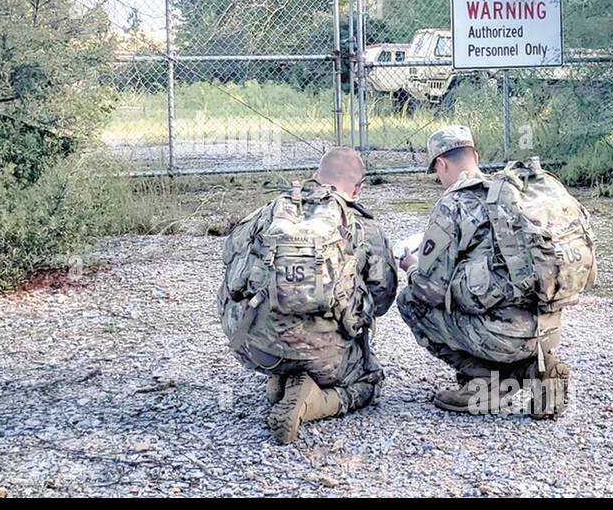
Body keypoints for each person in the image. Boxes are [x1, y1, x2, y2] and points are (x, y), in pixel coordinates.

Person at [396, 125, 593, 419]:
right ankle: (535, 366)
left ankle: (493, 382)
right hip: (547, 330)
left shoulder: (454, 203)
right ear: (475, 156)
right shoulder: (511, 196)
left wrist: (412, 268)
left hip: (500, 338)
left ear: (441, 163)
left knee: (411, 301)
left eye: (437, 172)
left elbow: (432, 290)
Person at [219, 147, 398, 444]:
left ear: (315, 178)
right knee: (370, 380)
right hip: (323, 356)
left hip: (255, 348)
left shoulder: (267, 214)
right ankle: (312, 401)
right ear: (358, 188)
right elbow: (382, 299)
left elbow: (230, 274)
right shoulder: (364, 227)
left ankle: (280, 375)